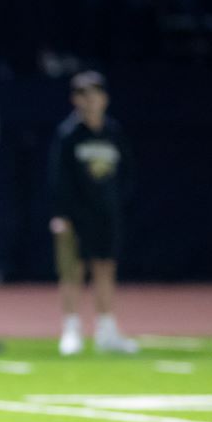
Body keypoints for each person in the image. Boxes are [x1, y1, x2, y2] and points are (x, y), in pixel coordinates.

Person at [49, 71, 136, 355]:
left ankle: (106, 330)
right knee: (73, 271)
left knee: (105, 268)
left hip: (107, 213)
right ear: (75, 99)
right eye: (84, 95)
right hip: (75, 215)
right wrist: (61, 214)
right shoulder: (69, 134)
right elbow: (58, 178)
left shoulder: (113, 132)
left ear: (105, 99)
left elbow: (126, 173)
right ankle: (72, 329)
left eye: (95, 94)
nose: (90, 101)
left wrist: (117, 202)